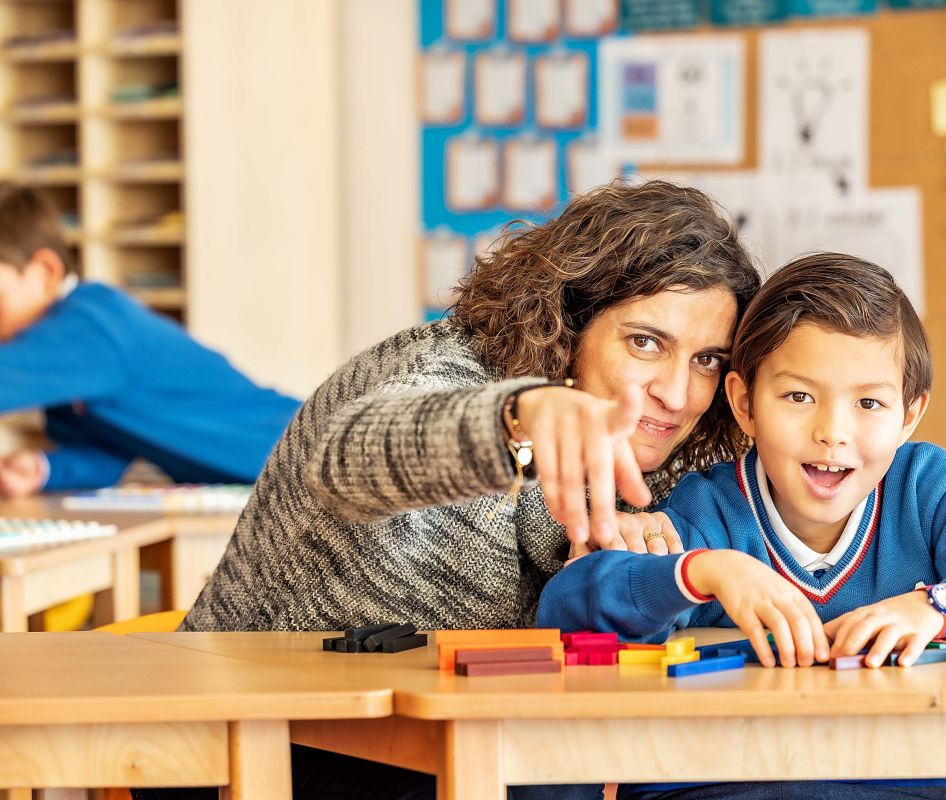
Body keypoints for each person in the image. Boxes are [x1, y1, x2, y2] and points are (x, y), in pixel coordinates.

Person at [158, 180, 760, 800]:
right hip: (250, 749)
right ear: (567, 318)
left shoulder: (647, 446)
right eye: (645, 342)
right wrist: (515, 419)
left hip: (430, 741)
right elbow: (347, 457)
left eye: (706, 360)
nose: (679, 393)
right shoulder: (443, 374)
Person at [538, 252, 946, 800]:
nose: (833, 431)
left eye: (869, 402)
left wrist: (938, 608)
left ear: (909, 416)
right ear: (744, 404)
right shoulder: (707, 510)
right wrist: (703, 571)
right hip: (724, 784)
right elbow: (569, 607)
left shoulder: (930, 490)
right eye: (799, 396)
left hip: (916, 781)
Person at [0, 183, 300, 497]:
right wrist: (42, 469)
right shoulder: (63, 361)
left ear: (46, 271)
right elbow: (107, 456)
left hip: (311, 457)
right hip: (270, 488)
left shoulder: (90, 325)